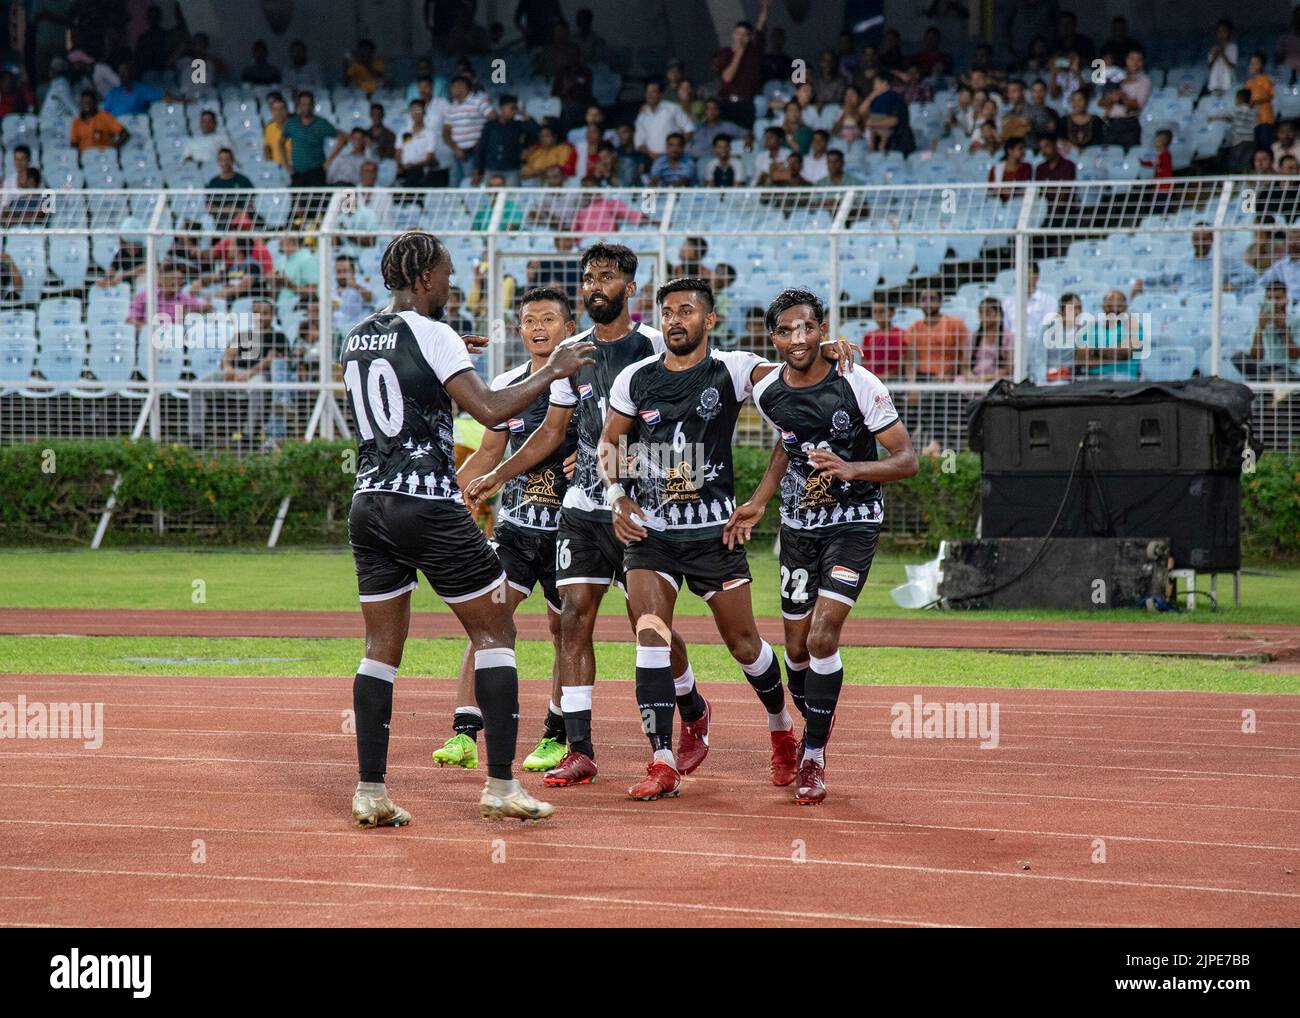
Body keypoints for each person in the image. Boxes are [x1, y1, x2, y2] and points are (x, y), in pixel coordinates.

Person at [341, 231, 595, 827]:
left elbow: (397, 388)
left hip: (368, 503)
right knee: (497, 629)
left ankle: (370, 791)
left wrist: (449, 355)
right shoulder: (436, 334)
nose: (452, 283)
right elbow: (492, 410)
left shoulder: (357, 335)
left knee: (380, 649)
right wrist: (554, 366)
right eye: (448, 274)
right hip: (427, 504)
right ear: (426, 277)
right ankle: (502, 785)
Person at [596, 279, 857, 800]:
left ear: (708, 321)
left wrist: (820, 356)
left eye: (687, 311)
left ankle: (782, 725)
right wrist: (618, 500)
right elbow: (609, 444)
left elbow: (790, 392)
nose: (675, 320)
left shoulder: (734, 369)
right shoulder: (635, 378)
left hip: (716, 534)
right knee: (650, 633)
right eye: (668, 311)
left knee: (745, 646)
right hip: (653, 533)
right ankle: (662, 760)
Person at [463, 245, 698, 789]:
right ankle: (581, 748)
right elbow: (551, 429)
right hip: (583, 510)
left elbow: (690, 424)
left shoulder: (659, 347)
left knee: (652, 625)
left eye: (607, 277)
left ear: (629, 288)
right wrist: (499, 475)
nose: (595, 285)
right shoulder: (572, 351)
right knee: (573, 618)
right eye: (589, 277)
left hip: (641, 512)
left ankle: (689, 712)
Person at [728, 288, 916, 803]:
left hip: (853, 522)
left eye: (808, 328)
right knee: (794, 649)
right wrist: (761, 501)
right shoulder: (766, 391)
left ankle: (813, 754)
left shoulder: (856, 379)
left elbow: (906, 460)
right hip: (798, 529)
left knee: (822, 636)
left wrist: (854, 468)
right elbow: (786, 444)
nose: (798, 338)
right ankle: (810, 723)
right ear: (772, 338)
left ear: (822, 330)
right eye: (786, 331)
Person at [432, 287, 581, 773]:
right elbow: (488, 453)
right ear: (519, 330)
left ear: (569, 329)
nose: (538, 327)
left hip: (570, 533)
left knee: (567, 632)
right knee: (488, 620)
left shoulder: (588, 387)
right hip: (516, 528)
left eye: (549, 319)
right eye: (529, 320)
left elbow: (616, 440)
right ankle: (464, 731)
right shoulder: (508, 384)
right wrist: (446, 496)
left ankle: (557, 734)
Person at [712, 0, 769, 129]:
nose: (741, 38)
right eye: (738, 34)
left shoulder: (754, 52)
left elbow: (760, 27)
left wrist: (765, 7)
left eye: (745, 35)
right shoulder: (724, 53)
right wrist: (739, 53)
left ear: (749, 37)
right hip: (728, 103)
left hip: (747, 103)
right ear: (733, 34)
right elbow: (727, 78)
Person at [443, 74, 494, 187]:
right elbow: (445, 132)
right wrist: (455, 148)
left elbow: (494, 122)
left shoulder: (479, 102)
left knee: (471, 186)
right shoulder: (452, 107)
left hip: (475, 153)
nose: (450, 90)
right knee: (454, 187)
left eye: (453, 87)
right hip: (457, 154)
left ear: (462, 87)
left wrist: (481, 142)